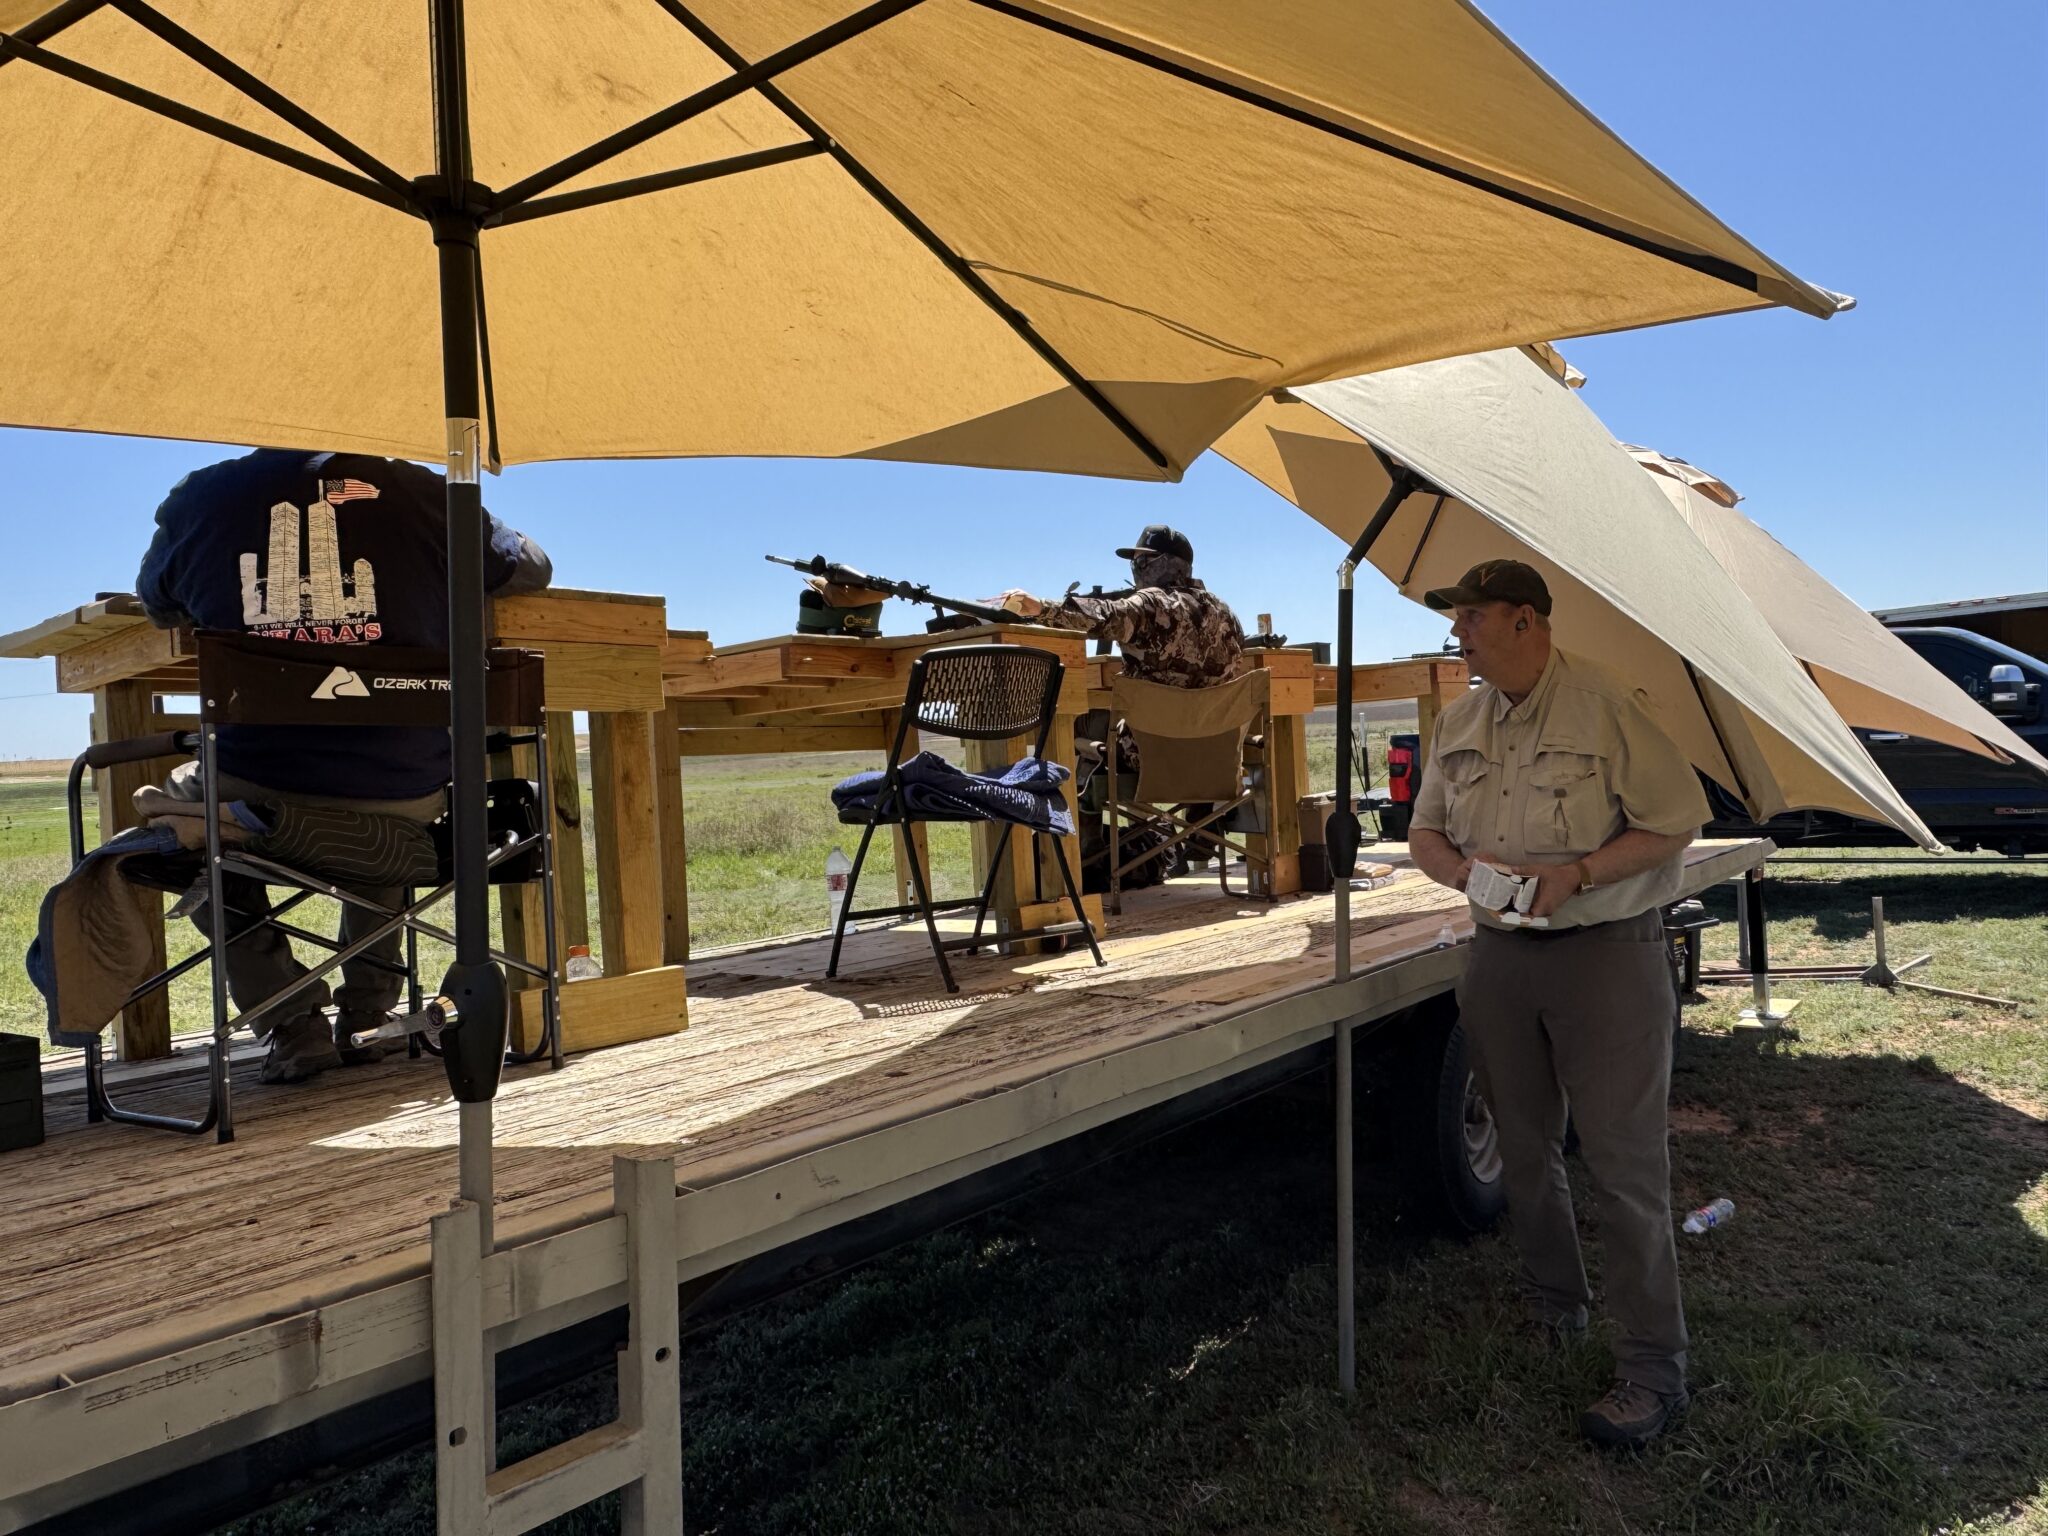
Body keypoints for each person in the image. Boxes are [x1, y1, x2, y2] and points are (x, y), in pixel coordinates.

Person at [1404, 559, 1710, 1450]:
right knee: (1526, 1154)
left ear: (1527, 621)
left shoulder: (1608, 703)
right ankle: (1554, 1309)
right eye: (1455, 617)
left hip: (1606, 955)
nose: (1458, 632)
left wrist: (1576, 871)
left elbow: (1675, 820)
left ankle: (1654, 1369)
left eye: (1472, 616)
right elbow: (1424, 829)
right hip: (1500, 960)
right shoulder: (1459, 718)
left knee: (1624, 1170)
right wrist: (1463, 873)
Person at [136, 448, 552, 1084]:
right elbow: (533, 570)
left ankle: (290, 1019)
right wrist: (498, 535)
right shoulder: (429, 496)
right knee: (368, 798)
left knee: (181, 821)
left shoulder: (203, 497)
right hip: (405, 800)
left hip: (258, 793)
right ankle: (366, 1014)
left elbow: (158, 602)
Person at [999, 525, 1245, 875]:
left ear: (1162, 564)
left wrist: (1040, 608)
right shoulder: (1227, 614)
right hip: (1214, 756)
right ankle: (1201, 825)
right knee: (1189, 715)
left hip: (1148, 757)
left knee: (1073, 723)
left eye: (1141, 560)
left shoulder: (1150, 606)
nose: (1136, 568)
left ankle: (1088, 860)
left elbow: (1102, 616)